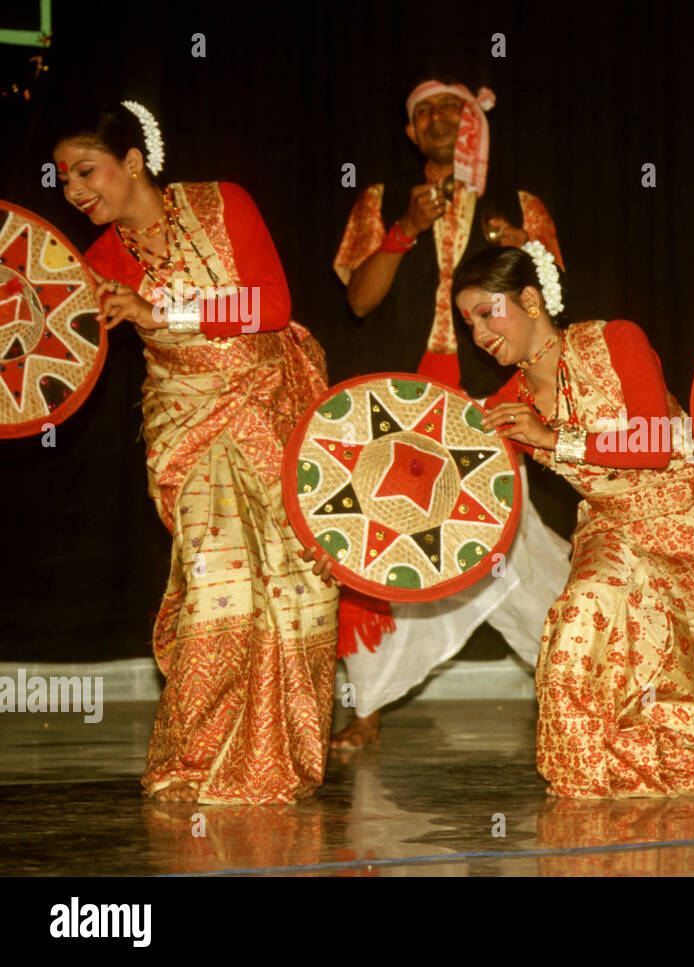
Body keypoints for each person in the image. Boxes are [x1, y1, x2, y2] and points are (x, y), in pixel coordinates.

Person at [53, 102, 337, 803]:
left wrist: (160, 313)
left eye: (85, 171)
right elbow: (52, 354)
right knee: (219, 582)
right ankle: (198, 758)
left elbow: (271, 306)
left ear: (133, 162)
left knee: (301, 587)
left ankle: (280, 761)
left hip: (272, 407)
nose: (73, 189)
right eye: (63, 178)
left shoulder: (222, 203)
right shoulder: (99, 263)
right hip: (189, 427)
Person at [452, 244, 694, 798]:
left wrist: (552, 438)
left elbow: (655, 445)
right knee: (582, 609)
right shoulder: (510, 402)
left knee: (656, 619)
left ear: (530, 300)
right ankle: (586, 779)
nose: (478, 333)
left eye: (485, 312)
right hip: (612, 526)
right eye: (467, 322)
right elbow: (448, 479)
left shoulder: (614, 339)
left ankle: (681, 761)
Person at [328, 74, 570, 748]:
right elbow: (359, 301)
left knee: (510, 540)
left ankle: (576, 670)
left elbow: (549, 301)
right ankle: (368, 706)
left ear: (476, 125)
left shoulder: (520, 203)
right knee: (387, 540)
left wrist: (522, 248)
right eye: (424, 111)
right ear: (411, 132)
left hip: (490, 400)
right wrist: (405, 230)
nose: (439, 119)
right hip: (400, 405)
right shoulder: (381, 201)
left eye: (452, 109)